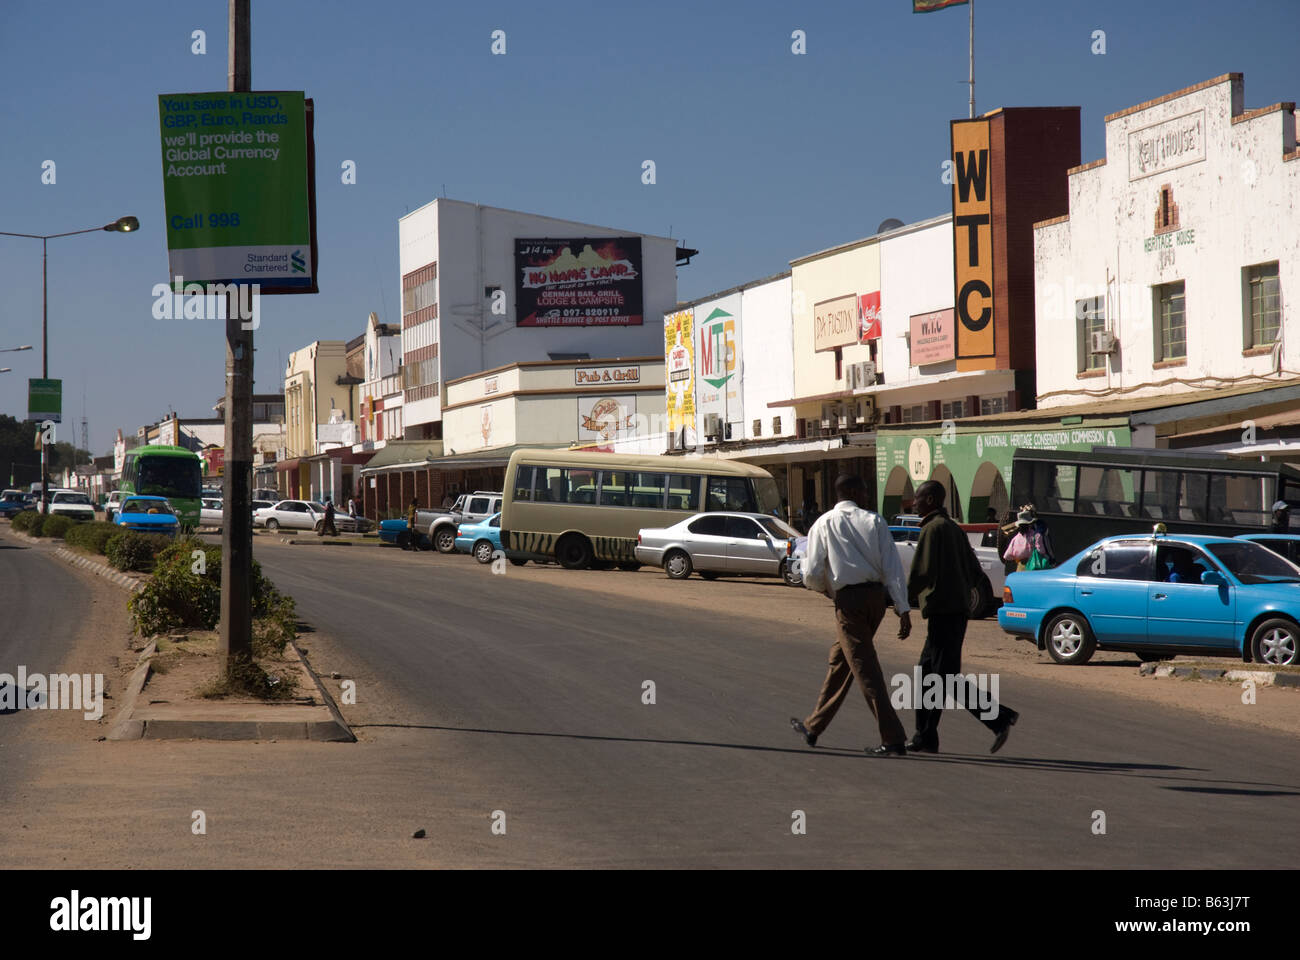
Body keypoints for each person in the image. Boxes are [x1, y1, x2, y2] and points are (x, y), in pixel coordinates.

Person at [790, 474, 913, 757]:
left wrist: (826, 590)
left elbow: (811, 572)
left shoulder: (824, 523)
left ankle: (893, 738)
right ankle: (813, 726)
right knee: (841, 661)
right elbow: (892, 567)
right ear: (854, 492)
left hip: (849, 602)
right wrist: (903, 607)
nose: (867, 495)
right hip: (875, 600)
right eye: (865, 490)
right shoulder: (875, 521)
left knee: (864, 667)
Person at [907, 480, 1019, 755]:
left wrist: (902, 601)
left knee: (942, 676)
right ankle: (925, 735)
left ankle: (999, 718)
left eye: (918, 498)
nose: (914, 503)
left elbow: (921, 572)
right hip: (954, 611)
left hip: (944, 612)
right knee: (928, 673)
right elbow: (974, 570)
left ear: (930, 500)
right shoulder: (953, 528)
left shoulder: (933, 529)